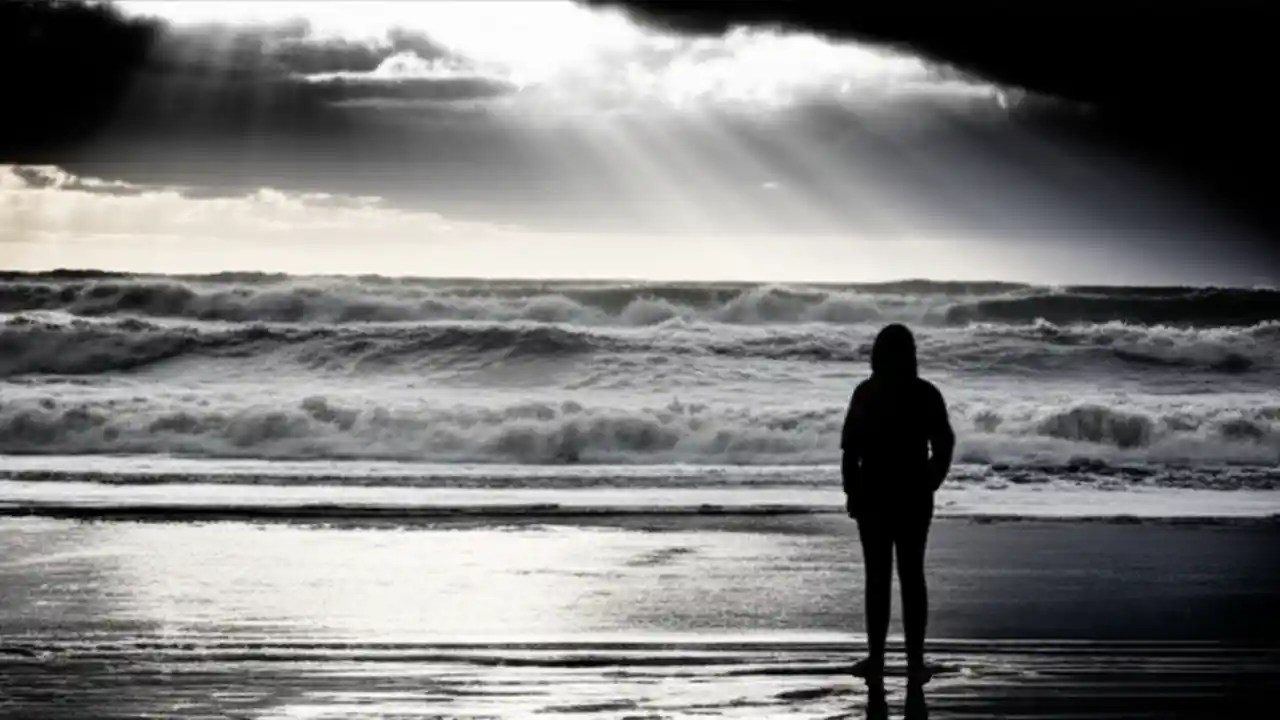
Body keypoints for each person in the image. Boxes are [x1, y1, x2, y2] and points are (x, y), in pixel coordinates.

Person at [841, 323, 954, 682]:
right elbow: (945, 445)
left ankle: (877, 660)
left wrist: (852, 492)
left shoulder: (866, 393)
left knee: (878, 578)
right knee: (910, 577)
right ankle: (914, 663)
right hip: (912, 495)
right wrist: (931, 480)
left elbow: (850, 452)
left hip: (875, 493)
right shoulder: (924, 393)